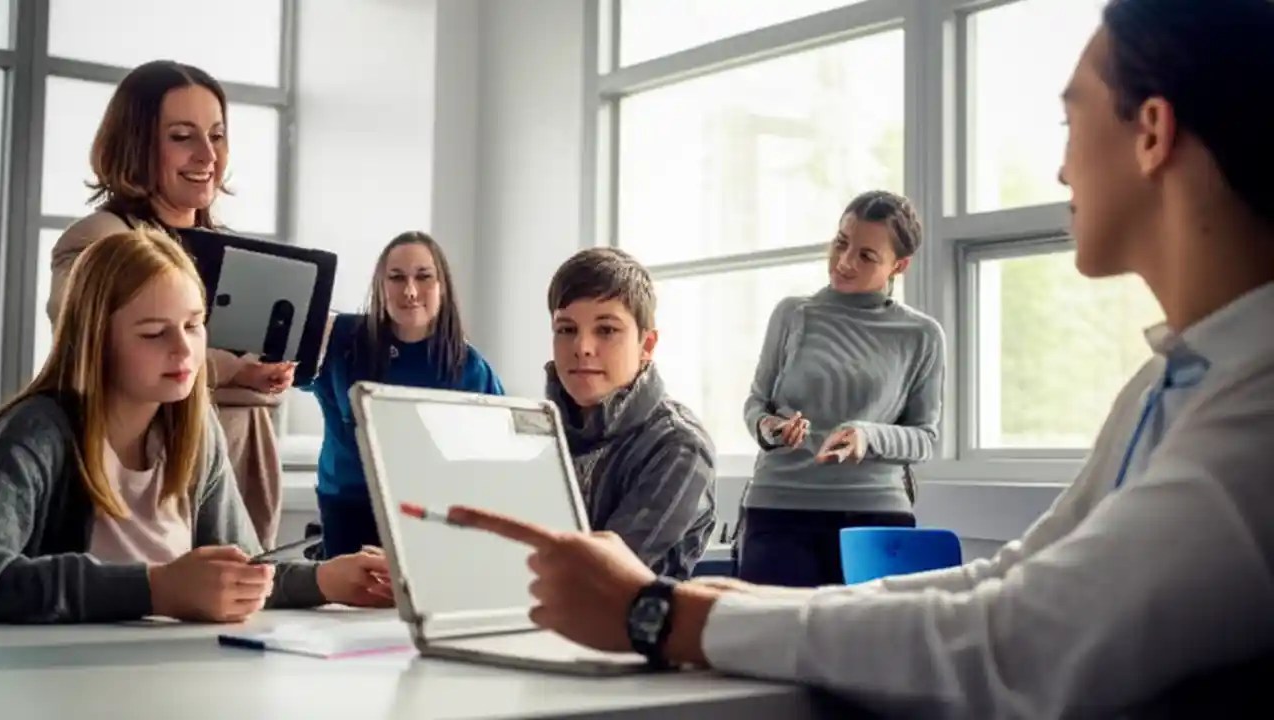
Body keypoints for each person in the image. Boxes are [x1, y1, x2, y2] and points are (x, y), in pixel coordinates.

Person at [406, 0, 1274, 715]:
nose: (1058, 169)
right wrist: (718, 603)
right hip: (784, 517)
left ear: (1152, 131)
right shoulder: (1169, 383)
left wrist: (657, 613)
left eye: (1070, 119)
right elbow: (1007, 575)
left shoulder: (1252, 419)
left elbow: (1017, 635)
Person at [0, 227, 391, 623]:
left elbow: (240, 571)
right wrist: (156, 590)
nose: (184, 350)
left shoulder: (196, 431)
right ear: (95, 340)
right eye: (154, 333)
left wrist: (327, 581)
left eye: (194, 325)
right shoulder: (35, 434)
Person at [46, 60, 293, 549]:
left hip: (237, 487)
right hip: (139, 501)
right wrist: (235, 372)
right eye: (183, 136)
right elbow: (92, 357)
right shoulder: (99, 240)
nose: (208, 154)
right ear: (137, 143)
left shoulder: (231, 252)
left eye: (217, 136)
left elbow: (263, 379)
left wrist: (258, 375)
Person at [739, 189, 944, 587]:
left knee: (868, 648)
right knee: (771, 643)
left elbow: (925, 438)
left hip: (875, 518)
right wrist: (770, 430)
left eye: (866, 255)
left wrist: (865, 436)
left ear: (899, 265)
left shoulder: (922, 335)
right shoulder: (791, 314)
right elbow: (756, 403)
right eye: (841, 243)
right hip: (779, 509)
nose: (845, 261)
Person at [303, 231, 504, 558]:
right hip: (347, 507)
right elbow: (283, 370)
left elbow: (494, 461)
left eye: (423, 277)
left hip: (428, 511)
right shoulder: (341, 339)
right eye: (396, 278)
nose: (410, 291)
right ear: (381, 287)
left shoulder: (470, 368)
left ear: (442, 287)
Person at [544, 247, 716, 580]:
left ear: (647, 345)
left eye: (606, 330)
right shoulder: (535, 433)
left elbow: (600, 577)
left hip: (624, 629)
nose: (582, 347)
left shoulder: (679, 446)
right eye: (566, 329)